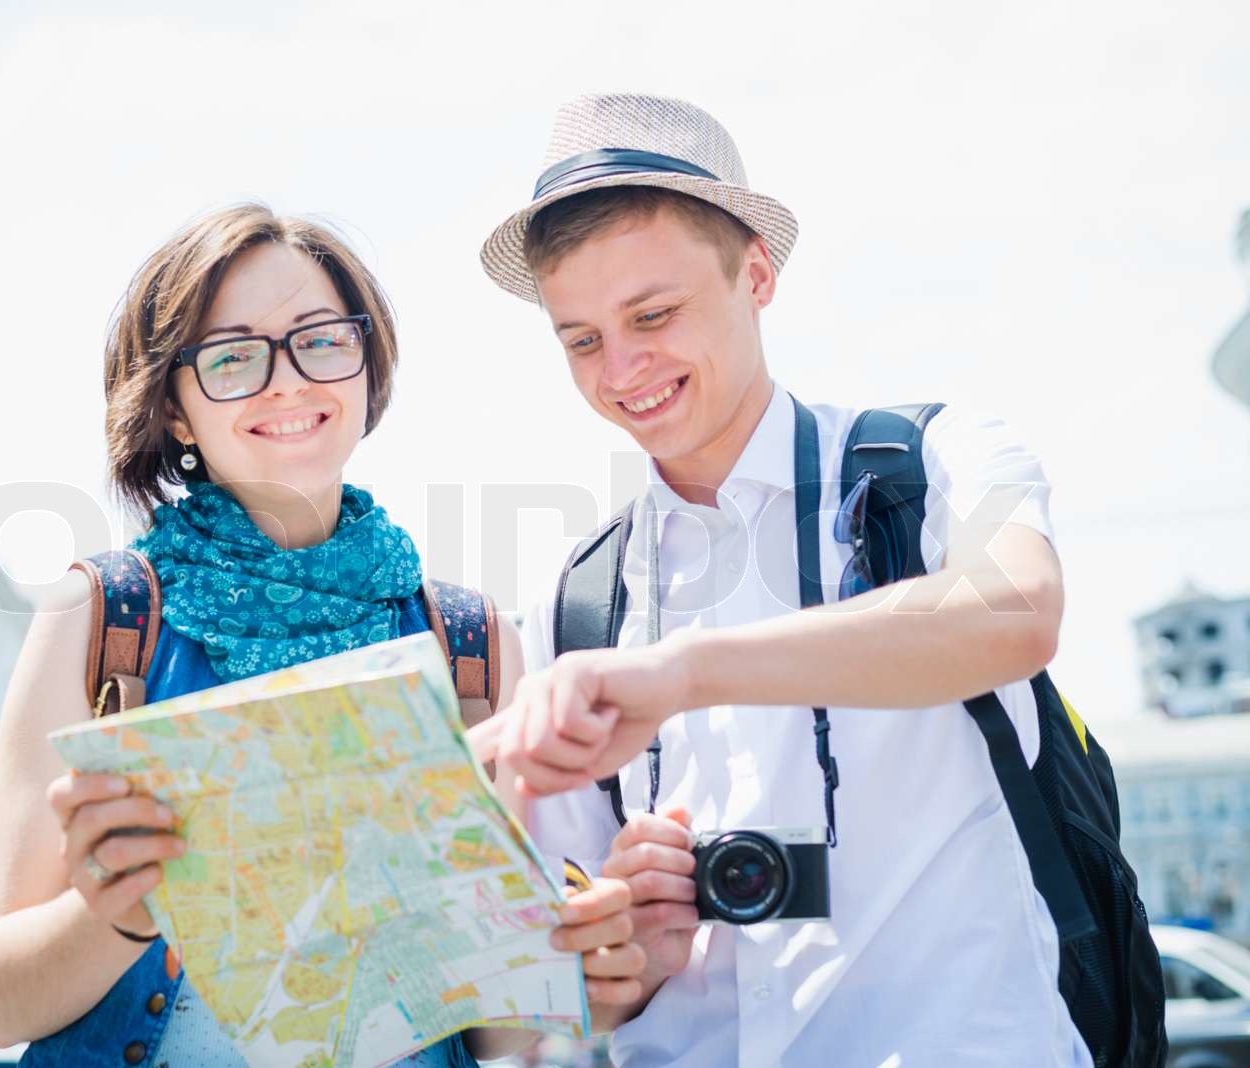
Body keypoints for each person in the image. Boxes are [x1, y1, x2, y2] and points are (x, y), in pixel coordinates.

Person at [467, 94, 1090, 1066]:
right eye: (581, 339)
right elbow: (560, 1000)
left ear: (756, 271)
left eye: (654, 313)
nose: (621, 368)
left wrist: (684, 672)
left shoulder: (934, 457)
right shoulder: (572, 599)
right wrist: (622, 946)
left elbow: (1016, 610)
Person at [0, 204, 644, 1067]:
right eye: (232, 357)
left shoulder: (470, 643)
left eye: (320, 340)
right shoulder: (102, 618)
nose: (286, 383)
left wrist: (588, 972)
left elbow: (489, 1027)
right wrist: (120, 910)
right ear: (173, 409)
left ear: (367, 367)